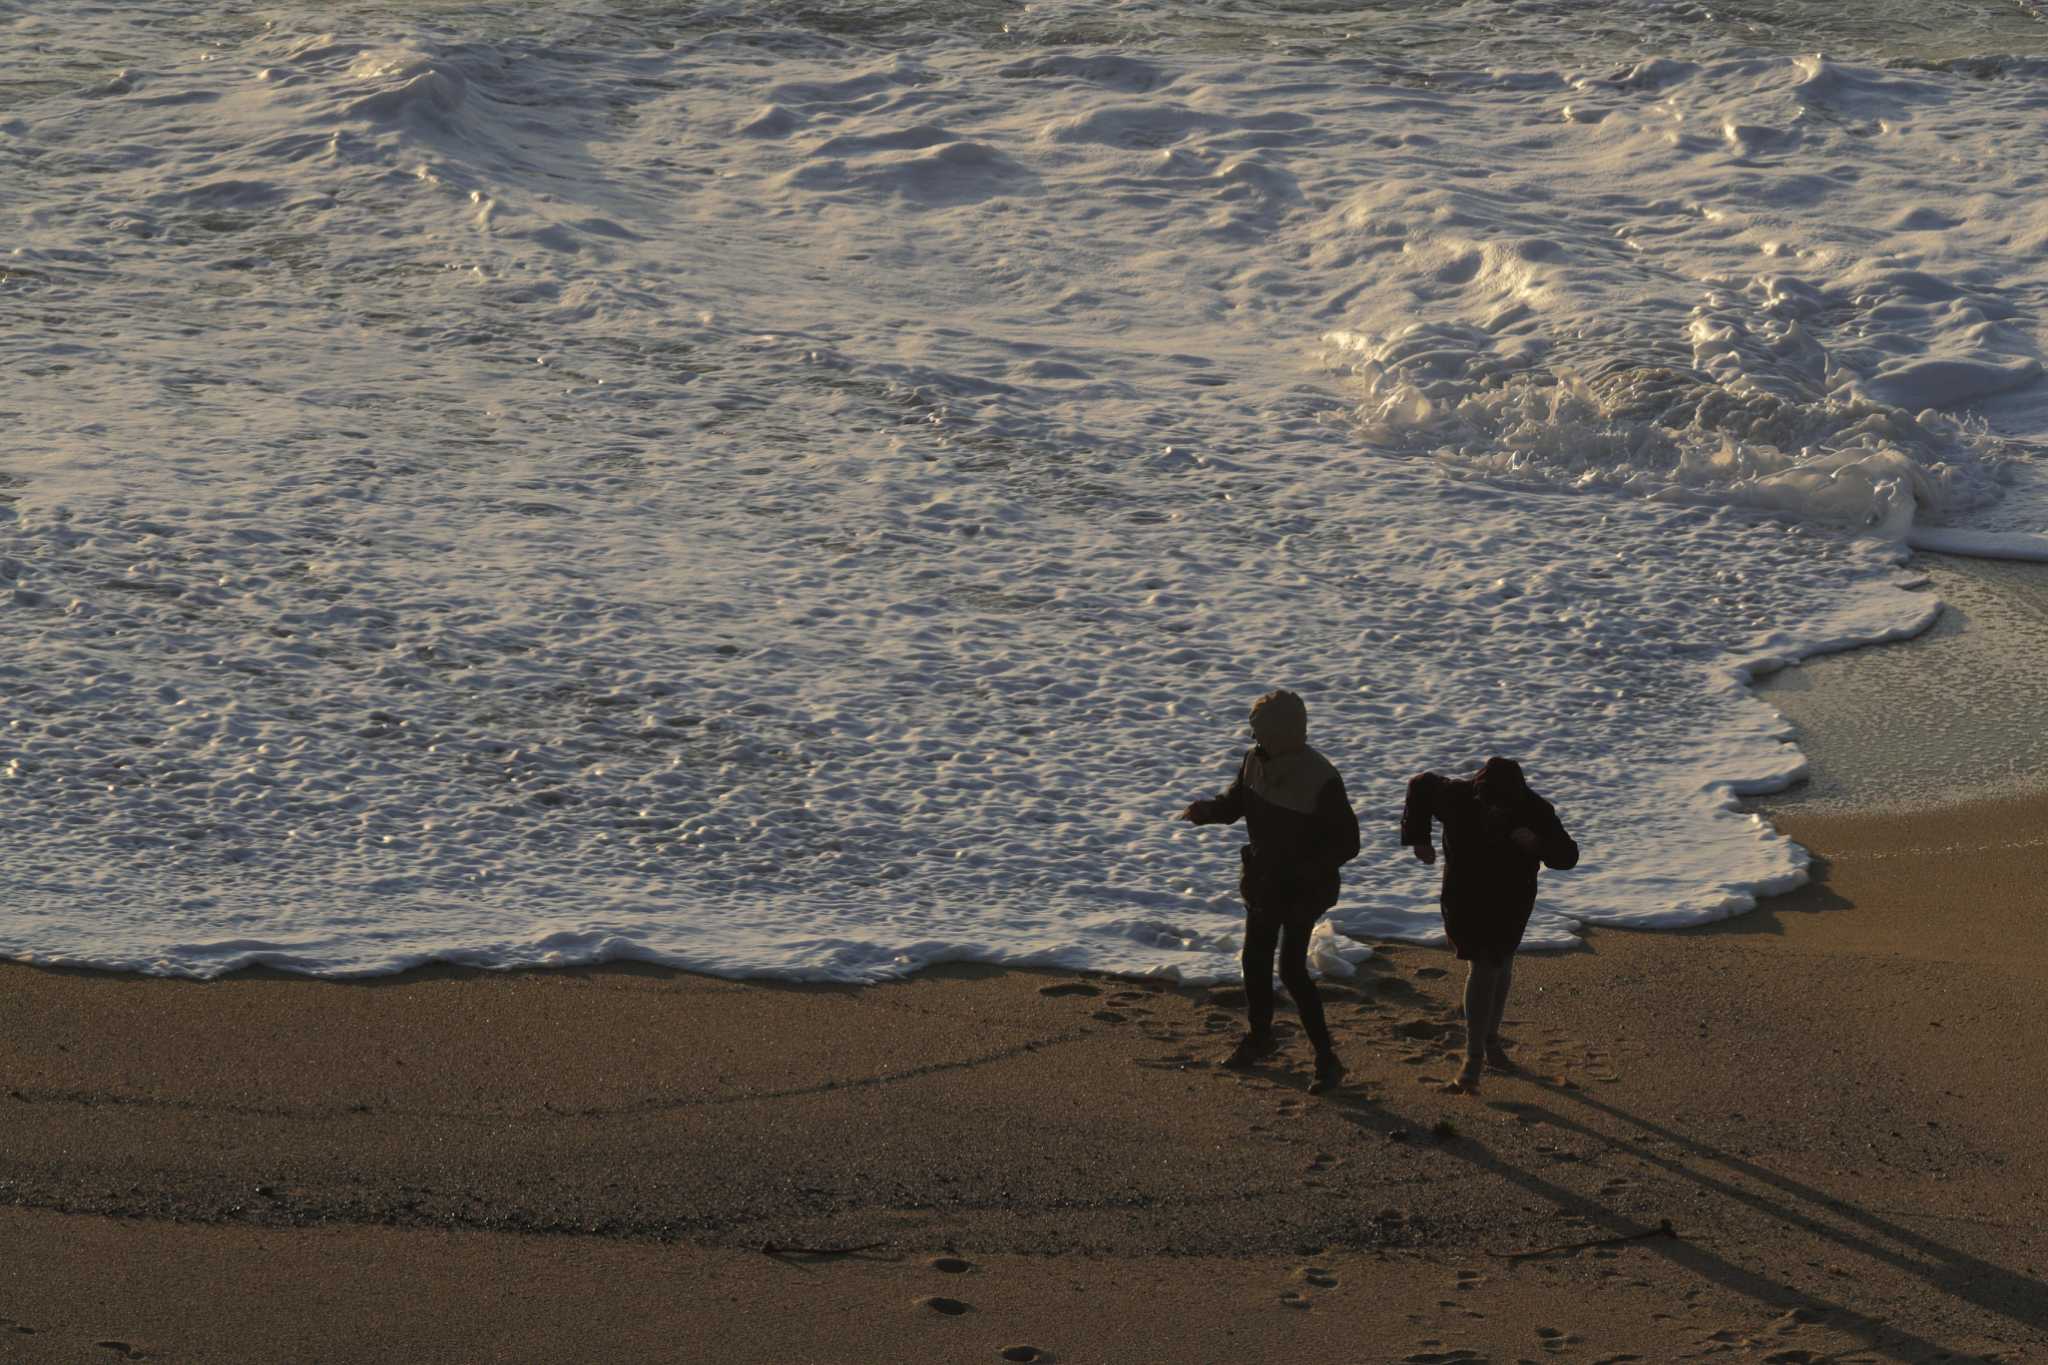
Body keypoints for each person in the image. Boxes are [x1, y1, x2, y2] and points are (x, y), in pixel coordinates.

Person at [1179, 689, 1361, 1095]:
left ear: (1289, 733)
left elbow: (1348, 843)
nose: (1256, 740)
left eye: (1262, 732)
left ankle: (1326, 1059)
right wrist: (1208, 812)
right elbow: (1233, 804)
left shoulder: (1322, 778)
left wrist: (1303, 867)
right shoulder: (1253, 762)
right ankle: (1261, 1038)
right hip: (1263, 881)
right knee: (1255, 961)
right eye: (1255, 732)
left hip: (1302, 889)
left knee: (1292, 971)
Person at [1401, 756, 1578, 1095]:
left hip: (1510, 900)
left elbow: (1568, 856)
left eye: (1502, 805)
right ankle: (1481, 1052)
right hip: (1464, 896)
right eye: (1488, 801)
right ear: (1477, 789)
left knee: (1497, 962)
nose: (1495, 810)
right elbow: (1419, 785)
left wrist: (1538, 845)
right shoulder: (1457, 795)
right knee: (1486, 964)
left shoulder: (1535, 809)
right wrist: (1419, 837)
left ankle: (1481, 1051)